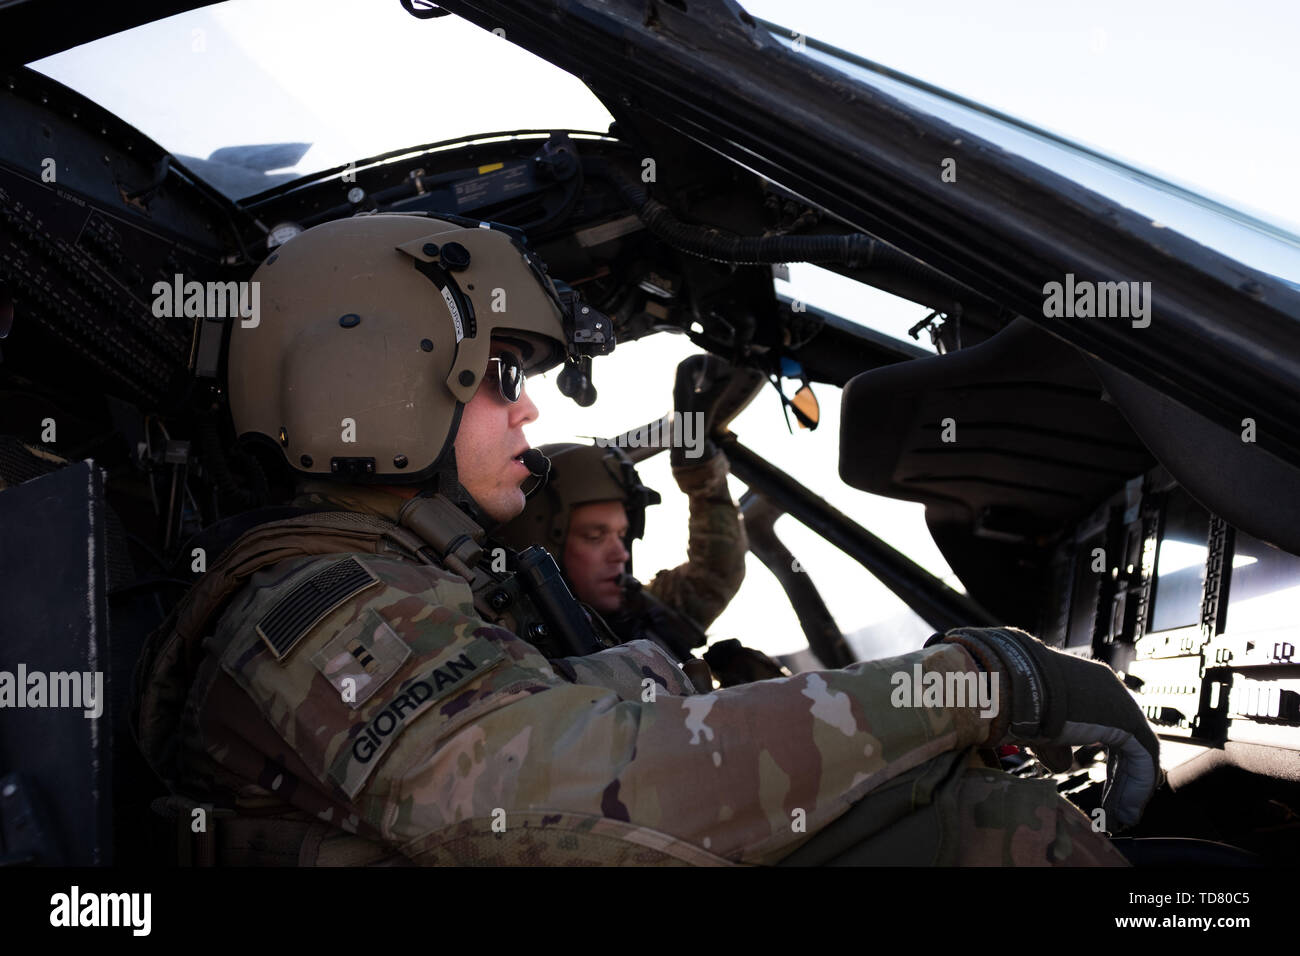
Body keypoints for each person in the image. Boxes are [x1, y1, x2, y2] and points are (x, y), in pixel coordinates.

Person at [134, 213, 1155, 866]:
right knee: (985, 835)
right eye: (503, 378)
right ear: (377, 382)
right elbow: (576, 799)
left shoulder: (385, 582)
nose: (526, 415)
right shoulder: (318, 606)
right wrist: (975, 679)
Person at [495, 423, 787, 686]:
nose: (620, 554)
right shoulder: (517, 660)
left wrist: (700, 473)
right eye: (595, 536)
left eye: (622, 535)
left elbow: (719, 569)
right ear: (536, 544)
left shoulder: (642, 609)